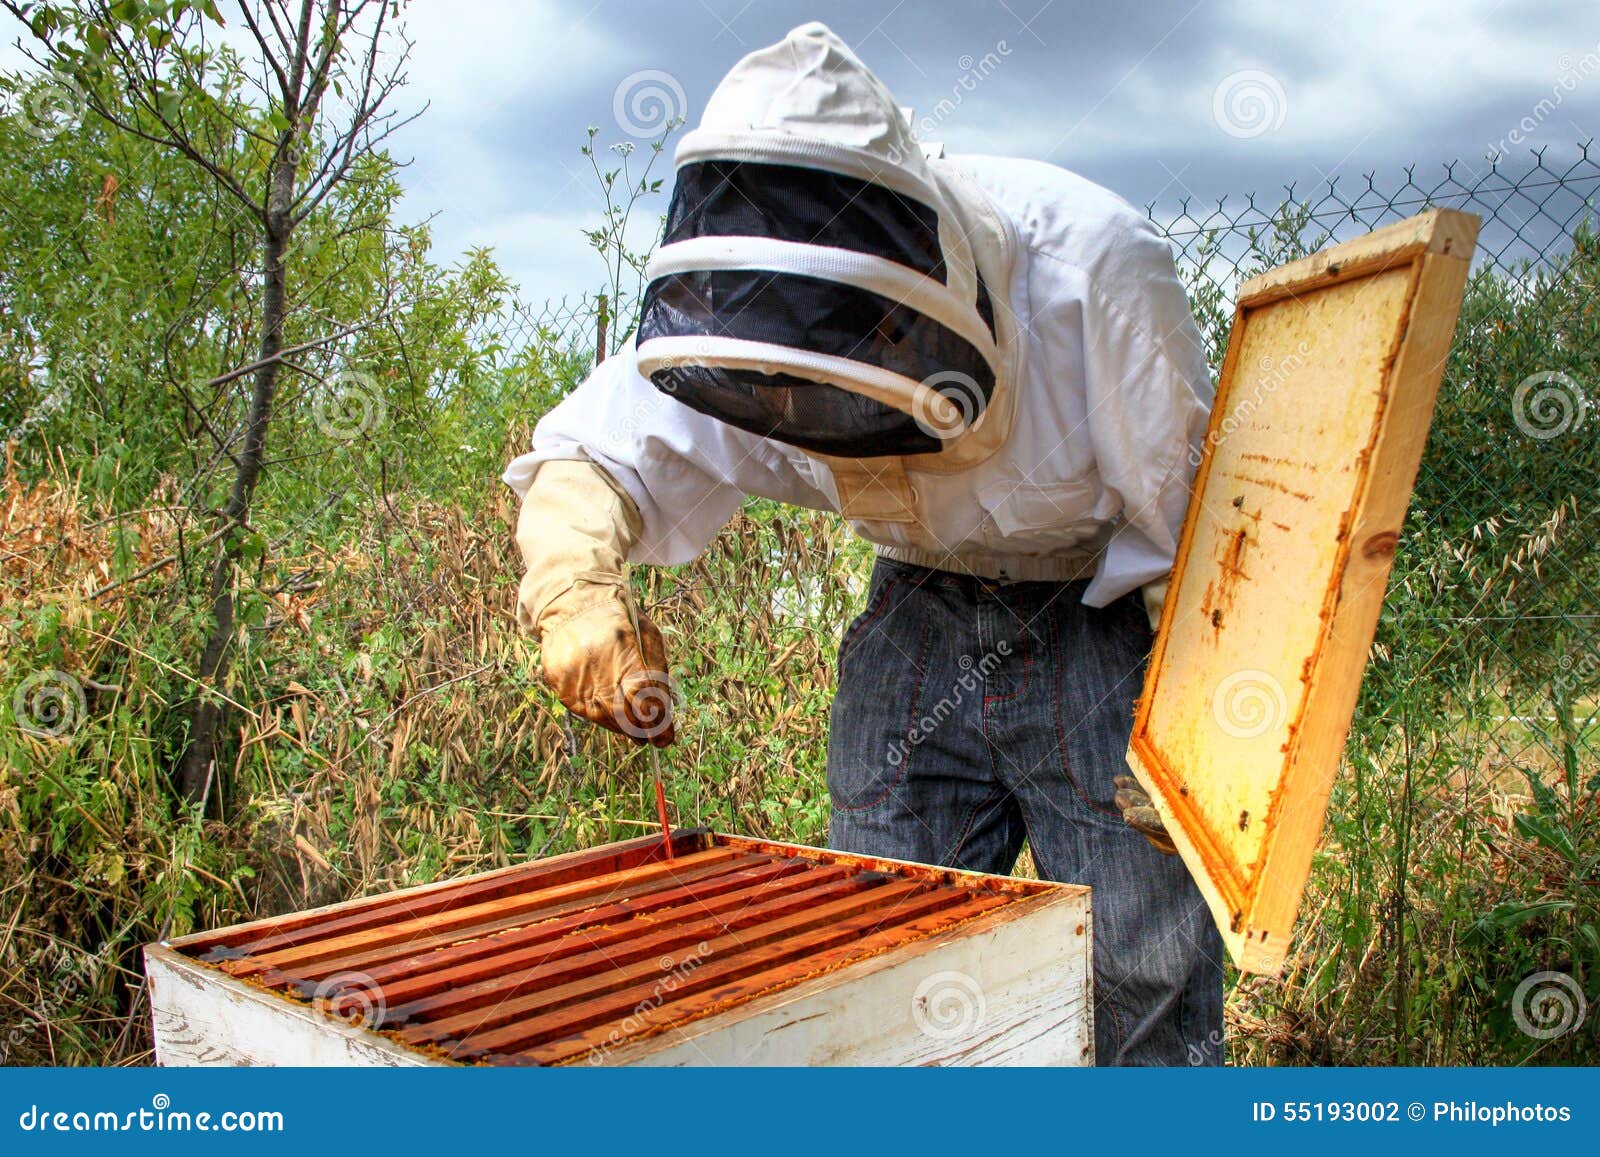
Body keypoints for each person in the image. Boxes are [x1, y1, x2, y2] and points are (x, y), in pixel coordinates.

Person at [506, 22, 1223, 1065]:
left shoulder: (1090, 274)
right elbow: (591, 453)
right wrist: (575, 597)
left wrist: (1195, 729)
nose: (794, 404)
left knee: (1140, 968)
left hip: (1092, 621)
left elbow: (1206, 531)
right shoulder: (743, 305)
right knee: (886, 958)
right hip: (912, 620)